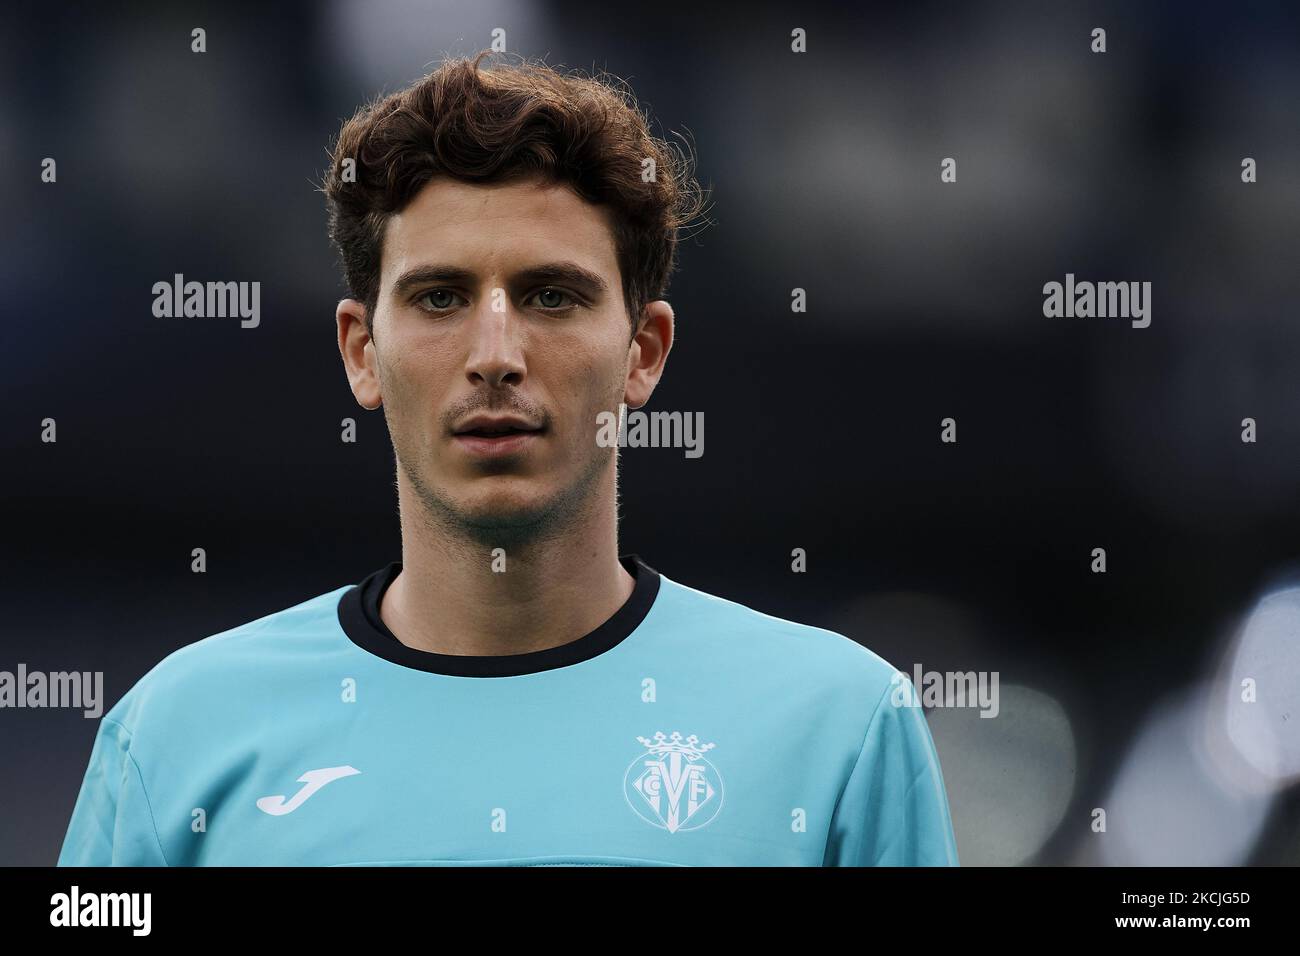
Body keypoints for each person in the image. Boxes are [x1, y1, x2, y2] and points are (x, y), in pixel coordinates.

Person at [57, 50, 958, 866]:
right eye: (441, 296)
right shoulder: (176, 736)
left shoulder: (838, 729)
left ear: (643, 352)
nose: (496, 353)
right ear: (361, 352)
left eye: (552, 296)